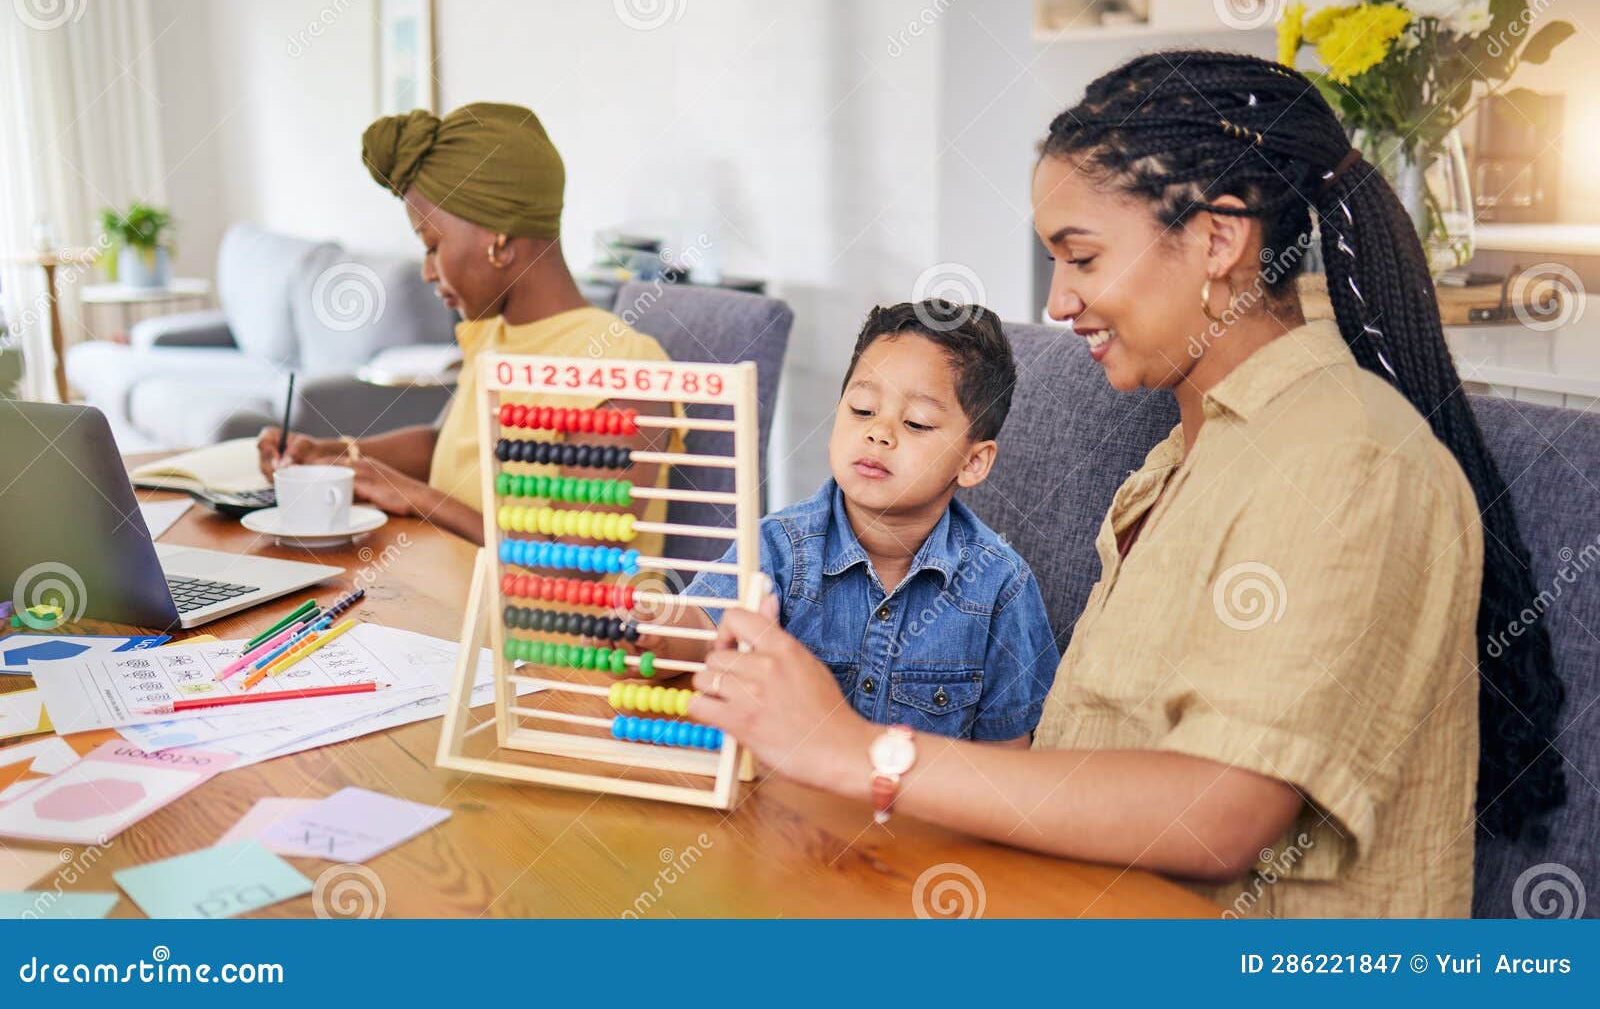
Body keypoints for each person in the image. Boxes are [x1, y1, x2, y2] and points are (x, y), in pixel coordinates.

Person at [683, 51, 1566, 918]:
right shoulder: (1179, 462)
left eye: (1083, 257)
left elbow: (1223, 812)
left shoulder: (1350, 461)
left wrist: (860, 747)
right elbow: (1080, 758)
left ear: (1218, 239)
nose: (1060, 302)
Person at [256, 103, 678, 548]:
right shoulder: (492, 334)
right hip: (442, 594)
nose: (427, 271)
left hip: (543, 618)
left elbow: (573, 557)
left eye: (432, 244)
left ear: (499, 237)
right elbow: (446, 446)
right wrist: (336, 455)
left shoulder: (621, 363)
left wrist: (417, 497)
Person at [649, 301, 1057, 743]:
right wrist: (650, 635)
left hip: (919, 811)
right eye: (862, 410)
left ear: (974, 462)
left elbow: (1009, 762)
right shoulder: (780, 549)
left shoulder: (1000, 587)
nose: (879, 432)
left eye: (916, 423)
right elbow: (699, 629)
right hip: (780, 803)